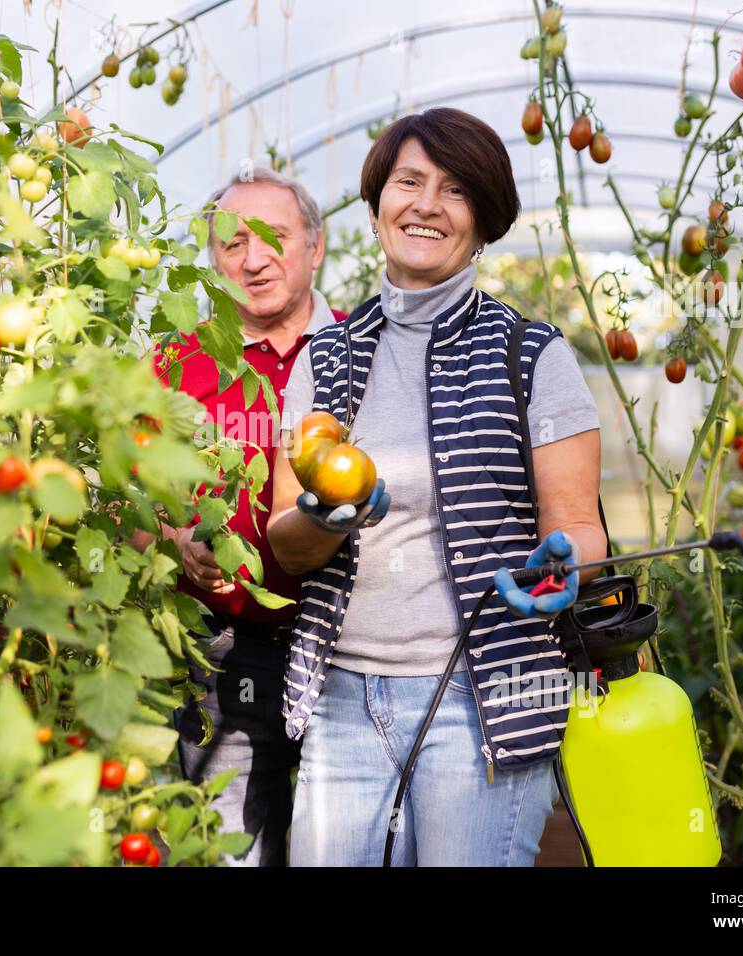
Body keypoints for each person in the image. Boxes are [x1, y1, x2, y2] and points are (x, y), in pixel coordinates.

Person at [266, 108, 607, 866]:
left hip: (487, 694)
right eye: (408, 182)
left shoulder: (532, 355)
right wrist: (329, 515)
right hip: (344, 699)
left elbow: (581, 529)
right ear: (378, 201)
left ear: (484, 222)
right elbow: (287, 545)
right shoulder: (327, 358)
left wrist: (561, 565)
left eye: (455, 191)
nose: (425, 204)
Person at [135, 167, 346, 866]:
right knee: (237, 851)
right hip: (223, 652)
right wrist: (168, 535)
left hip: (352, 647)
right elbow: (122, 499)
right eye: (232, 244)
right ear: (213, 261)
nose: (253, 259)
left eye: (273, 238)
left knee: (350, 844)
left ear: (314, 249)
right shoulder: (172, 364)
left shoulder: (365, 352)